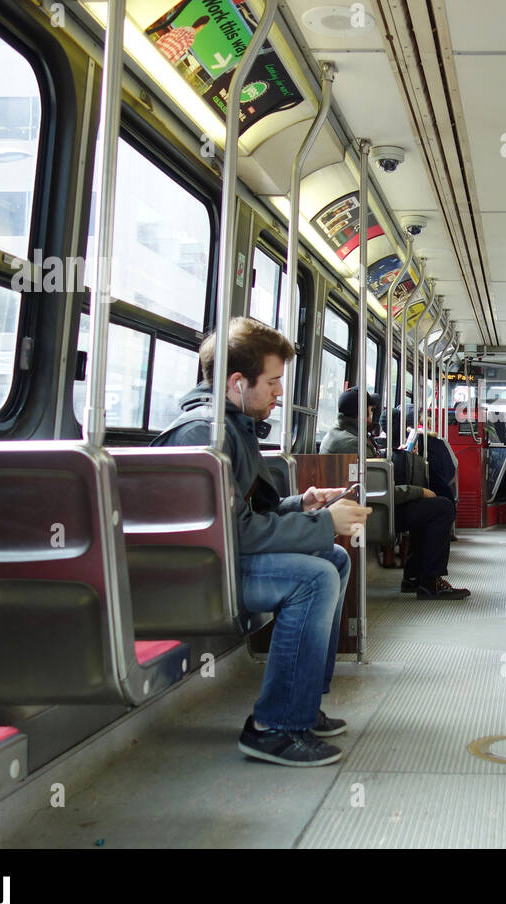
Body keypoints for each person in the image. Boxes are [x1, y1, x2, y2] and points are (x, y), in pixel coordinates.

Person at [153, 317, 371, 767]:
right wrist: (325, 522)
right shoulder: (205, 436)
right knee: (315, 577)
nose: (278, 393)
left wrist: (304, 504)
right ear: (238, 382)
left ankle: (301, 705)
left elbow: (244, 516)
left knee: (333, 559)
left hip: (220, 558)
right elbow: (235, 534)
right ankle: (274, 727)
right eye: (271, 382)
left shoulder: (233, 428)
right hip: (197, 573)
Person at [321, 388, 470, 600]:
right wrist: (419, 491)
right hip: (371, 513)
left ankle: (413, 577)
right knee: (442, 507)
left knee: (428, 507)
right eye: (371, 410)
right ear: (362, 412)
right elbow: (376, 489)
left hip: (369, 506)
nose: (373, 414)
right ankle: (429, 581)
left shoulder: (346, 435)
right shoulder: (353, 443)